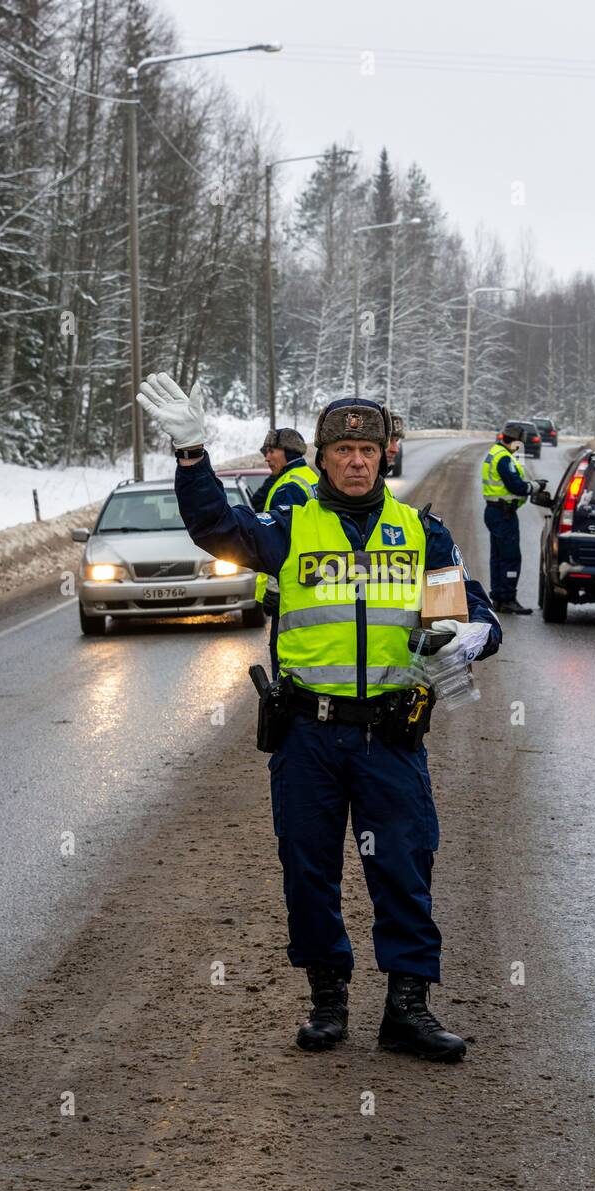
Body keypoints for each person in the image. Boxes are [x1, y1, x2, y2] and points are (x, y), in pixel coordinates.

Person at [136, 373, 501, 1063]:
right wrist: (191, 453)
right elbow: (214, 525)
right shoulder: (284, 527)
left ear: (385, 456)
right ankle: (326, 1001)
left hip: (391, 735)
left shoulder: (421, 533)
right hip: (308, 734)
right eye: (343, 450)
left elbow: (471, 612)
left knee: (403, 869)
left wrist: (472, 635)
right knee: (307, 869)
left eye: (368, 450)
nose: (357, 461)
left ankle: (407, 1009)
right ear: (323, 459)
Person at [251, 428, 316, 675]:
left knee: (283, 661)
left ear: (287, 452)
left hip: (288, 591)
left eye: (271, 451)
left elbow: (281, 545)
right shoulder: (308, 477)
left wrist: (274, 590)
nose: (266, 457)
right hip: (307, 584)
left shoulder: (288, 488)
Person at [482, 421, 544, 615]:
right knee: (510, 558)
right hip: (503, 514)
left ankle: (499, 598)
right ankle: (508, 598)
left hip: (495, 511)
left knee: (498, 557)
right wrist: (535, 486)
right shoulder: (504, 459)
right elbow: (516, 486)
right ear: (516, 442)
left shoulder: (496, 453)